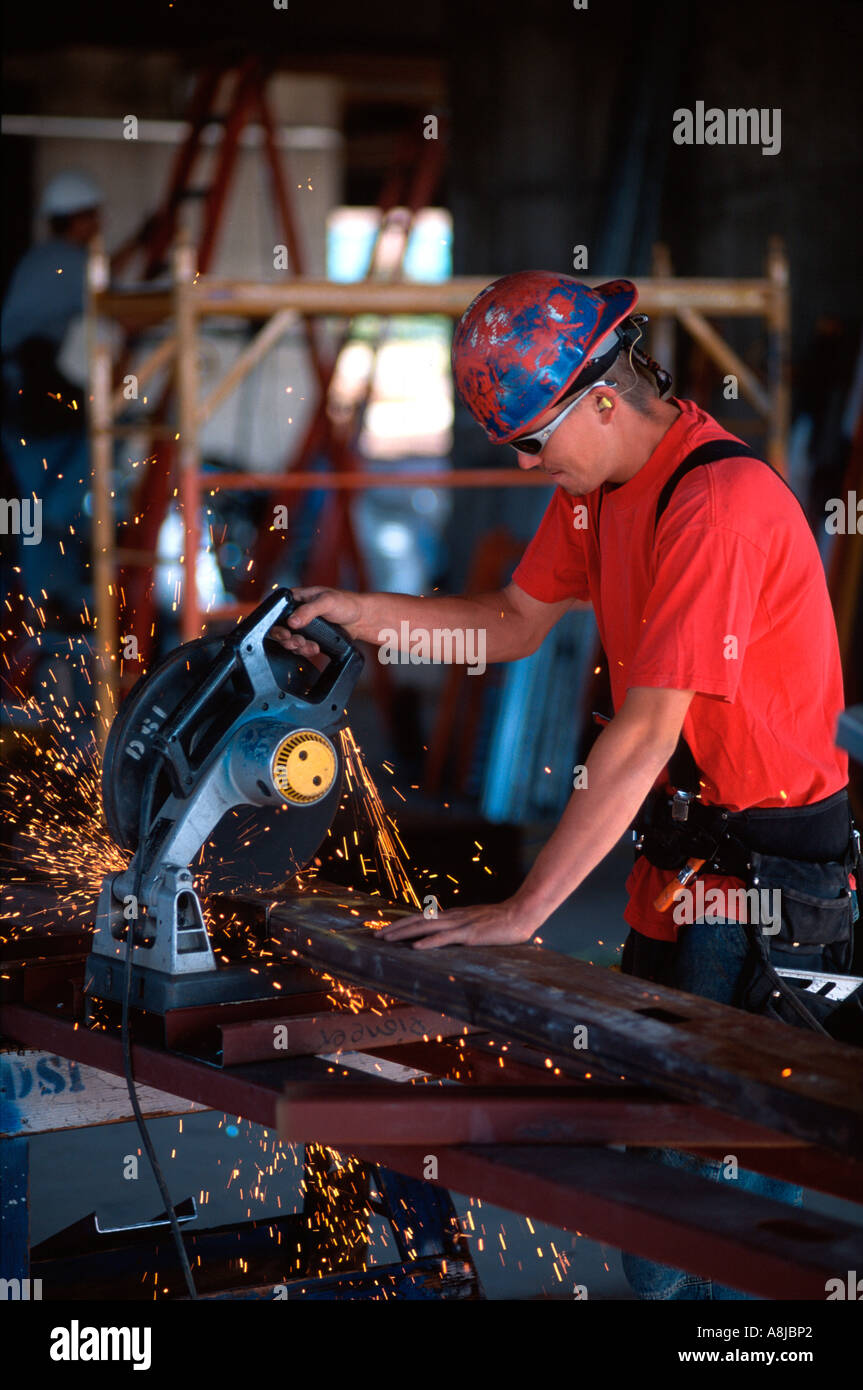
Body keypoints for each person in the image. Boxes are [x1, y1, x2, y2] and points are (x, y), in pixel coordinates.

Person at [269, 271, 860, 1299]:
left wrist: (524, 911)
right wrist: (361, 609)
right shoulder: (599, 492)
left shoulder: (715, 501)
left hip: (763, 883)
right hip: (685, 861)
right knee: (654, 1194)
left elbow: (640, 739)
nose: (526, 463)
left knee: (710, 1214)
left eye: (530, 441)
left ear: (599, 397)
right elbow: (510, 620)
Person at [2, 170, 102, 624]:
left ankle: (36, 608)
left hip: (18, 404)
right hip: (38, 402)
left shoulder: (40, 261)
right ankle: (48, 603)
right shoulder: (69, 262)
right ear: (80, 218)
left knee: (29, 514)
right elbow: (111, 303)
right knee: (98, 447)